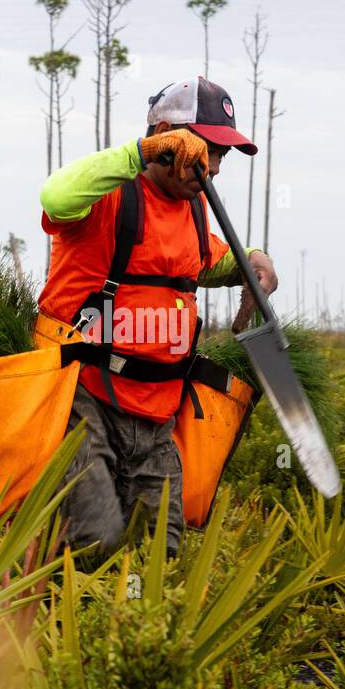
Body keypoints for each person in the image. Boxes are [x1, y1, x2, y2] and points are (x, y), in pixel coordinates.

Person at [36, 76, 279, 561]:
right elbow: (55, 197)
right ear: (167, 136)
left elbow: (215, 259)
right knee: (95, 539)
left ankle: (131, 637)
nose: (211, 166)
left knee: (156, 556)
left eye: (220, 157)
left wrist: (255, 260)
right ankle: (45, 624)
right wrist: (141, 152)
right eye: (204, 149)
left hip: (156, 417)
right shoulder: (108, 198)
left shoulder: (192, 213)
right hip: (83, 400)